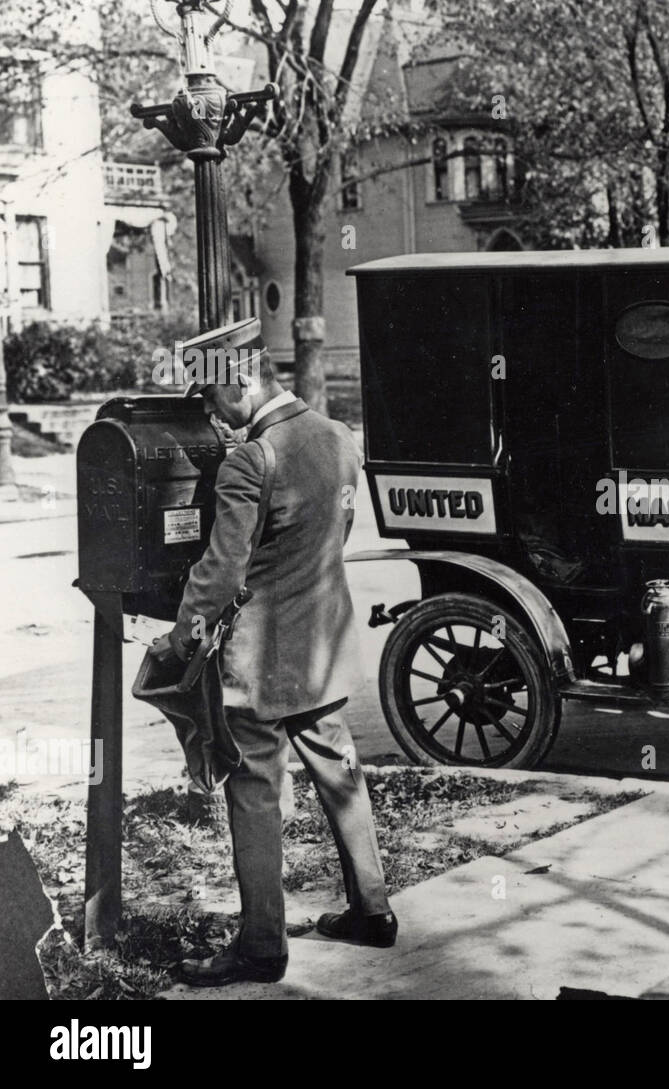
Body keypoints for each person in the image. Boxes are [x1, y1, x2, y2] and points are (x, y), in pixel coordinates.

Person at [147, 317, 396, 987]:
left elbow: (221, 572)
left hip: (263, 664)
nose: (211, 414)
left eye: (210, 398)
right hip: (326, 647)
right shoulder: (338, 436)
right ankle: (373, 910)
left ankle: (260, 947)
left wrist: (179, 638)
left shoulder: (251, 459)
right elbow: (334, 535)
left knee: (254, 792)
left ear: (241, 384)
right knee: (340, 773)